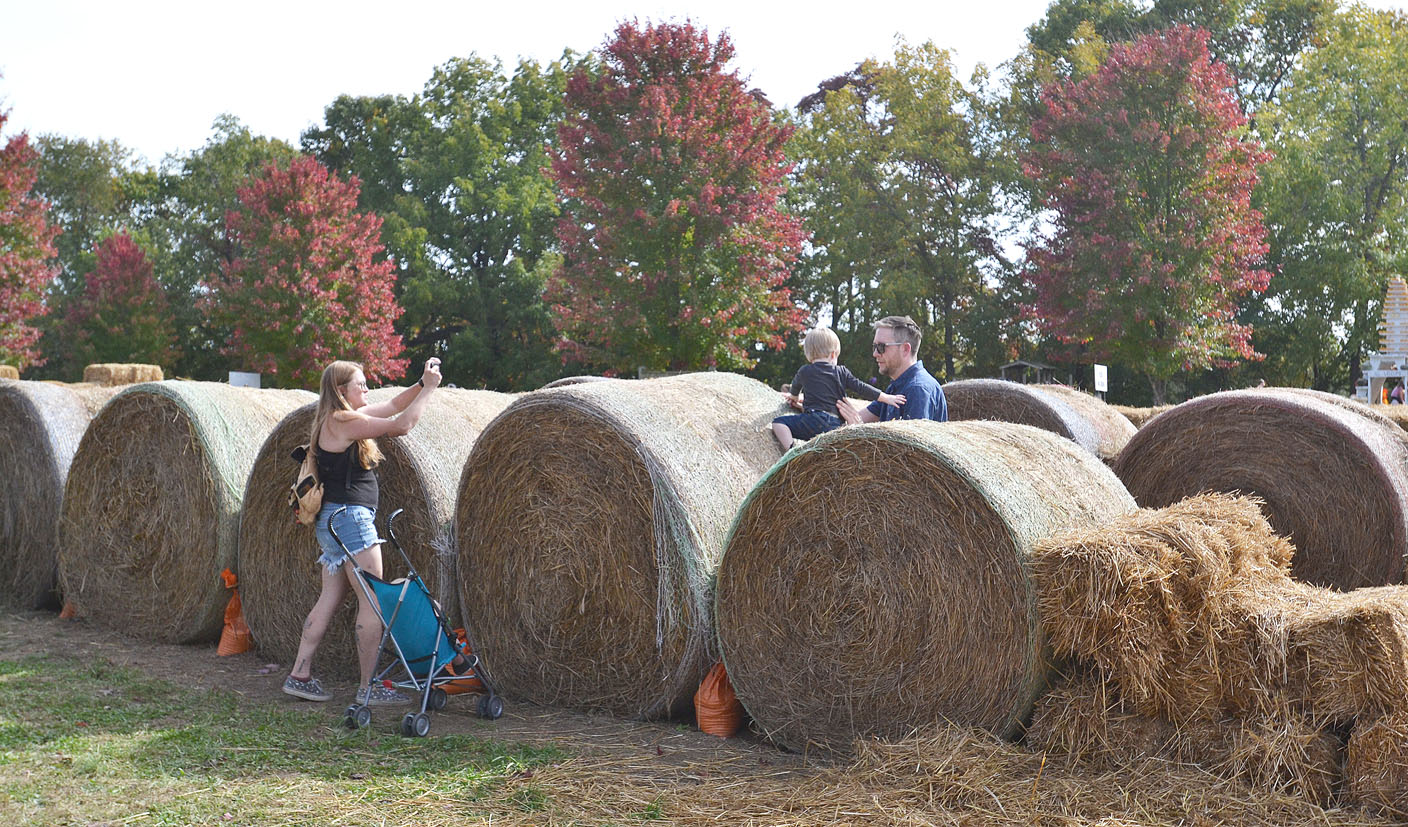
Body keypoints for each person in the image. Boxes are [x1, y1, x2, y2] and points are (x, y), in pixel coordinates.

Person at [282, 357, 442, 706]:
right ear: (342, 391)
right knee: (373, 602)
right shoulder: (342, 420)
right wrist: (429, 392)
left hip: (332, 521)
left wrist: (420, 382)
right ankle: (369, 688)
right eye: (361, 385)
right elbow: (401, 424)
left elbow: (395, 404)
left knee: (330, 598)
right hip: (350, 520)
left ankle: (299, 674)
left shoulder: (336, 419)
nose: (367, 389)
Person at [771, 327, 905, 450]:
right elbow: (861, 387)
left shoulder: (804, 371)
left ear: (808, 354)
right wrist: (886, 397)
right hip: (836, 425)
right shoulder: (841, 371)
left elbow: (795, 389)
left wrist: (793, 398)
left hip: (812, 420)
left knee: (779, 423)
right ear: (834, 354)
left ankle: (792, 452)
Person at [837, 315, 947, 425]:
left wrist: (856, 429)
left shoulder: (918, 390)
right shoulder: (894, 389)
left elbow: (910, 441)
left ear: (905, 349)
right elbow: (857, 420)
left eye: (881, 347)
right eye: (874, 346)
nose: (875, 354)